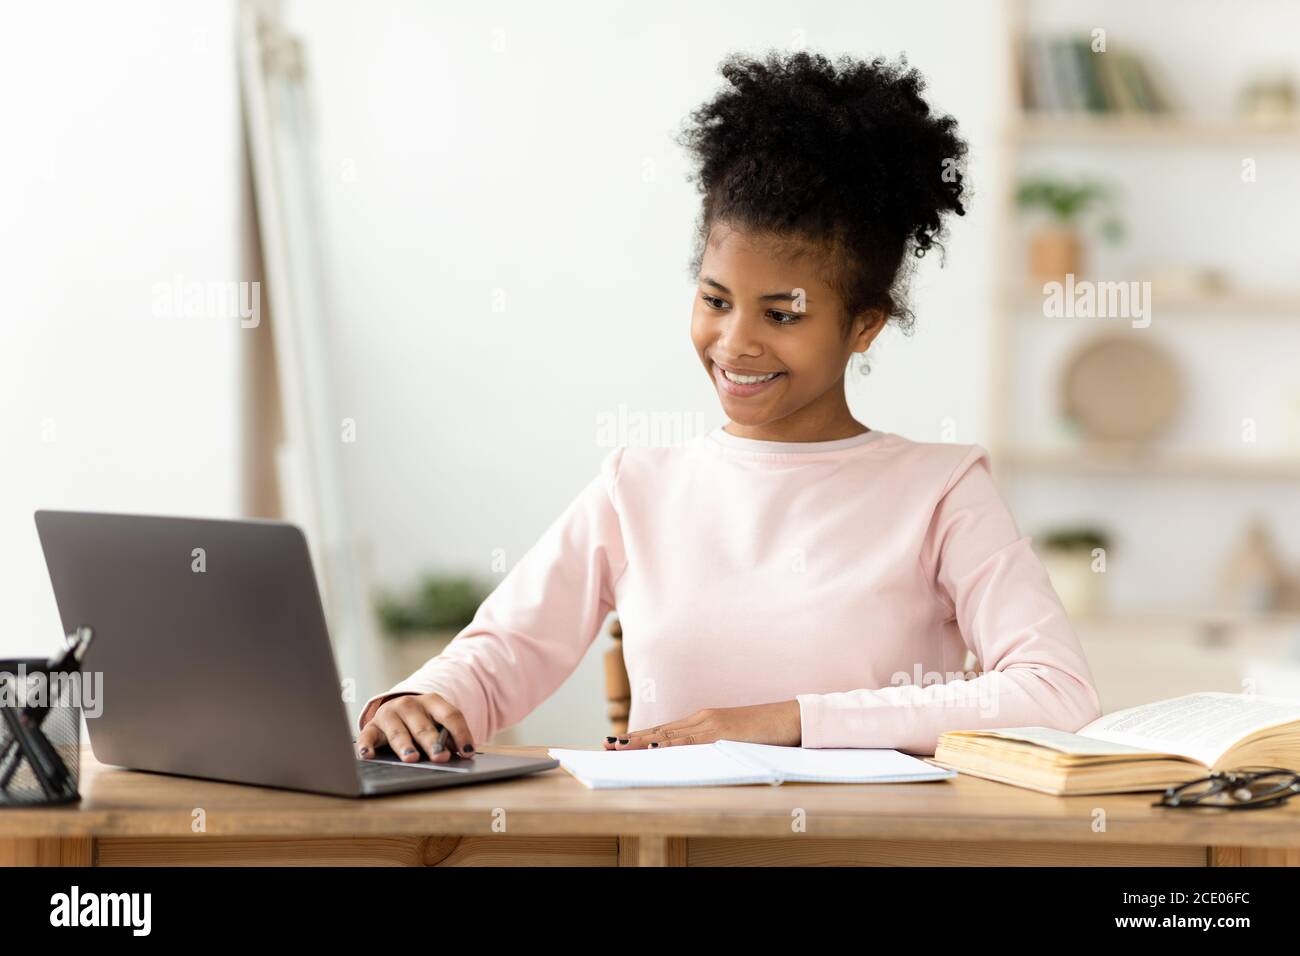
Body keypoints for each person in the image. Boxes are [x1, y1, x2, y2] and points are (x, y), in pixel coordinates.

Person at [355, 50, 1102, 765]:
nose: (734, 343)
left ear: (865, 324)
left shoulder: (942, 490)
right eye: (716, 300)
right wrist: (425, 699)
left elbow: (1057, 692)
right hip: (667, 848)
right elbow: (505, 653)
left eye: (782, 315)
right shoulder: (636, 486)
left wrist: (789, 721)